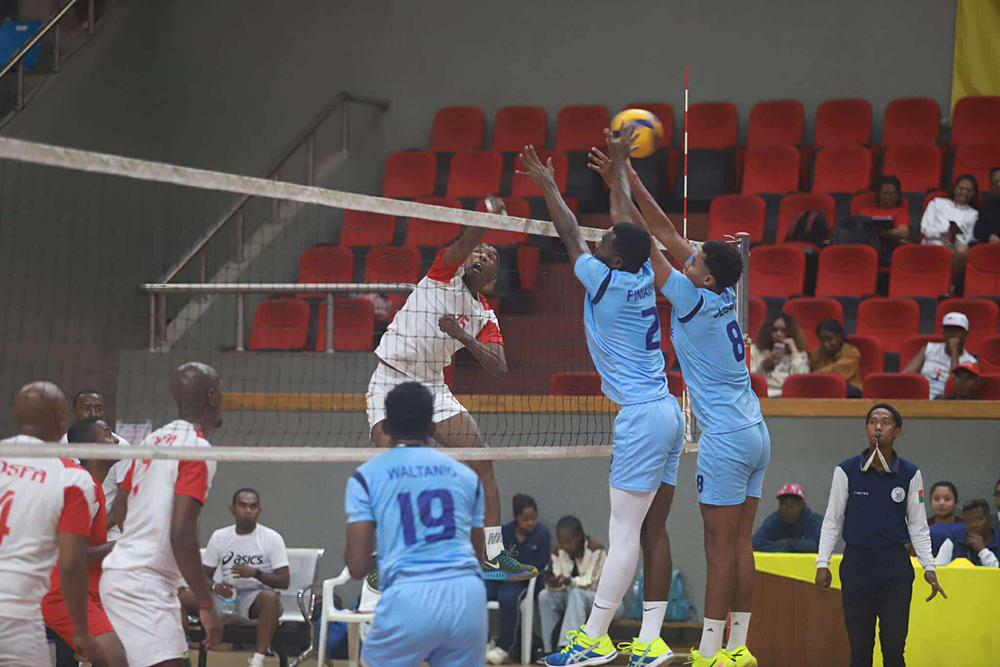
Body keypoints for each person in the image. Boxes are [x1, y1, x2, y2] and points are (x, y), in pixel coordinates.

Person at [598, 137, 768, 667]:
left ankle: (710, 651)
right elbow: (668, 234)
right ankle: (738, 649)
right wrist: (628, 175)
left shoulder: (691, 297)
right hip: (756, 431)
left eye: (694, 259)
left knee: (718, 551)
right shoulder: (723, 294)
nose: (687, 257)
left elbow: (647, 241)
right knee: (741, 546)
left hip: (726, 439)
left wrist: (620, 178)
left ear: (705, 276)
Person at [521, 131, 685, 667]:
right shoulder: (642, 272)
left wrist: (549, 185)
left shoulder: (604, 280)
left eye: (606, 242)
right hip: (668, 411)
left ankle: (594, 638)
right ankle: (650, 640)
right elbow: (624, 222)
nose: (600, 242)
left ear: (614, 257)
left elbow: (570, 231)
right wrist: (617, 166)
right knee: (649, 529)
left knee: (623, 532)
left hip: (641, 416)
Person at [366, 194, 535, 582]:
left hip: (432, 386)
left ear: (492, 279)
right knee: (398, 467)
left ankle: (493, 554)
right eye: (478, 250)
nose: (481, 254)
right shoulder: (444, 272)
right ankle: (386, 556)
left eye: (490, 256)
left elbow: (498, 367)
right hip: (391, 380)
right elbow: (467, 238)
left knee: (481, 460)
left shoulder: (484, 316)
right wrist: (487, 218)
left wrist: (462, 335)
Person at [344, 381, 488, 667]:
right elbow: (477, 556)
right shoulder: (467, 477)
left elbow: (357, 567)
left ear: (386, 426)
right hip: (467, 596)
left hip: (410, 595)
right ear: (431, 426)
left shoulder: (366, 477)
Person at [100, 362, 224, 667]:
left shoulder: (151, 440)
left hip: (136, 577)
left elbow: (120, 508)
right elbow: (181, 531)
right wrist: (206, 603)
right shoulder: (197, 449)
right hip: (142, 584)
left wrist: (144, 547)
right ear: (212, 396)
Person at [816, 403, 946, 667]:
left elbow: (918, 525)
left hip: (895, 569)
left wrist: (929, 567)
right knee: (860, 651)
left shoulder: (910, 473)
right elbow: (832, 520)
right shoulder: (846, 470)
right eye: (873, 421)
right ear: (866, 429)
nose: (878, 426)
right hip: (856, 566)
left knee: (894, 650)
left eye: (885, 422)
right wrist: (822, 563)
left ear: (897, 431)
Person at [0, 382, 102, 665]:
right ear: (61, 420)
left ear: (16, 415)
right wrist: (82, 631)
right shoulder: (72, 478)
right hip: (15, 616)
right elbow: (71, 564)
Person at [42, 417, 128, 667]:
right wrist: (124, 543)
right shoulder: (84, 485)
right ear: (88, 447)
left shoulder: (93, 485)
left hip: (86, 590)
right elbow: (74, 556)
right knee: (115, 660)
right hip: (62, 593)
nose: (116, 440)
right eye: (108, 434)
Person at [199, 488, 289, 667]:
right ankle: (181, 654)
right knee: (181, 596)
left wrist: (256, 573)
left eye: (253, 506)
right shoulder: (220, 536)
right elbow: (203, 576)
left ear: (259, 511)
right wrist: (216, 587)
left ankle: (257, 661)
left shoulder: (272, 538)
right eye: (243, 505)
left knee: (270, 597)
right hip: (224, 597)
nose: (248, 510)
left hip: (255, 599)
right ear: (232, 509)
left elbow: (284, 581)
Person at [538, 516, 622, 656]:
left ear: (579, 537)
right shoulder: (558, 551)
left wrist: (569, 582)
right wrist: (553, 582)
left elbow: (592, 583)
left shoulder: (596, 549)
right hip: (572, 599)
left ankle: (567, 646)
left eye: (568, 542)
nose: (564, 546)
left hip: (605, 602)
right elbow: (561, 582)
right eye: (561, 542)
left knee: (576, 592)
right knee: (545, 596)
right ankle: (549, 650)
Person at [486, 494, 551, 665]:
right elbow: (492, 558)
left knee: (508, 598)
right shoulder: (503, 532)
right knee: (478, 592)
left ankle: (504, 647)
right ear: (516, 518)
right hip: (500, 577)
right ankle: (483, 641)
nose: (530, 523)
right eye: (525, 519)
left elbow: (540, 564)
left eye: (533, 518)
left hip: (524, 581)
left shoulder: (542, 534)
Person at [60, 390, 132, 540]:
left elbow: (124, 501)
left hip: (105, 532)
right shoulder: (85, 488)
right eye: (86, 408)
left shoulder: (95, 487)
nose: (93, 413)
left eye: (98, 408)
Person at [920, 174, 979, 288]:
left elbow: (969, 239)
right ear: (955, 188)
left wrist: (954, 236)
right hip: (933, 244)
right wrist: (942, 233)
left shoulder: (973, 214)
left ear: (973, 194)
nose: (964, 192)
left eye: (968, 190)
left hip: (954, 252)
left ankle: (948, 285)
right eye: (961, 188)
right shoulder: (936, 203)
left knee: (963, 250)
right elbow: (924, 229)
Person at [902, 311, 977, 399]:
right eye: (948, 330)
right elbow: (906, 376)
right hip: (920, 397)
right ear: (943, 333)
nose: (952, 334)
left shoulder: (970, 362)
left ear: (966, 334)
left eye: (956, 331)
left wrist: (954, 353)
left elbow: (953, 387)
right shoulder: (928, 349)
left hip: (946, 401)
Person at [749, 314, 810, 398]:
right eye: (775, 330)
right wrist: (764, 365)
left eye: (783, 330)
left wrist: (794, 352)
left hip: (789, 397)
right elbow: (752, 380)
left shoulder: (800, 355)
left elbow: (799, 382)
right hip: (763, 395)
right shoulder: (755, 351)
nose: (778, 334)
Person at [751, 483, 823, 553]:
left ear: (803, 506)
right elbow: (755, 543)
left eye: (794, 504)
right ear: (779, 506)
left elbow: (819, 546)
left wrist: (789, 543)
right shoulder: (775, 520)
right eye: (784, 504)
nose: (789, 509)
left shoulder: (814, 521)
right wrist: (795, 547)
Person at [850, 175, 911, 259]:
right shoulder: (865, 211)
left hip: (887, 250)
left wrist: (882, 232)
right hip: (864, 249)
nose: (887, 197)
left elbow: (903, 232)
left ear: (897, 196)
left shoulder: (900, 212)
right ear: (878, 194)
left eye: (891, 194)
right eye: (884, 193)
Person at [934, 499, 999, 567]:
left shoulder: (998, 540)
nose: (973, 525)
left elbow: (997, 571)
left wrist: (982, 550)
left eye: (978, 519)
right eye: (968, 520)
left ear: (990, 520)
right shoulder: (955, 538)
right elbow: (938, 568)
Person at [809, 318, 862, 398]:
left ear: (839, 337)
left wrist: (813, 377)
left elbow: (834, 373)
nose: (826, 344)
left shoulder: (852, 352)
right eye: (822, 340)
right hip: (822, 392)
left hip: (849, 394)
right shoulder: (816, 353)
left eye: (830, 339)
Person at [972, 166, 1000, 244]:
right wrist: (989, 236)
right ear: (990, 186)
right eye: (995, 182)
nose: (999, 185)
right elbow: (978, 229)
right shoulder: (987, 205)